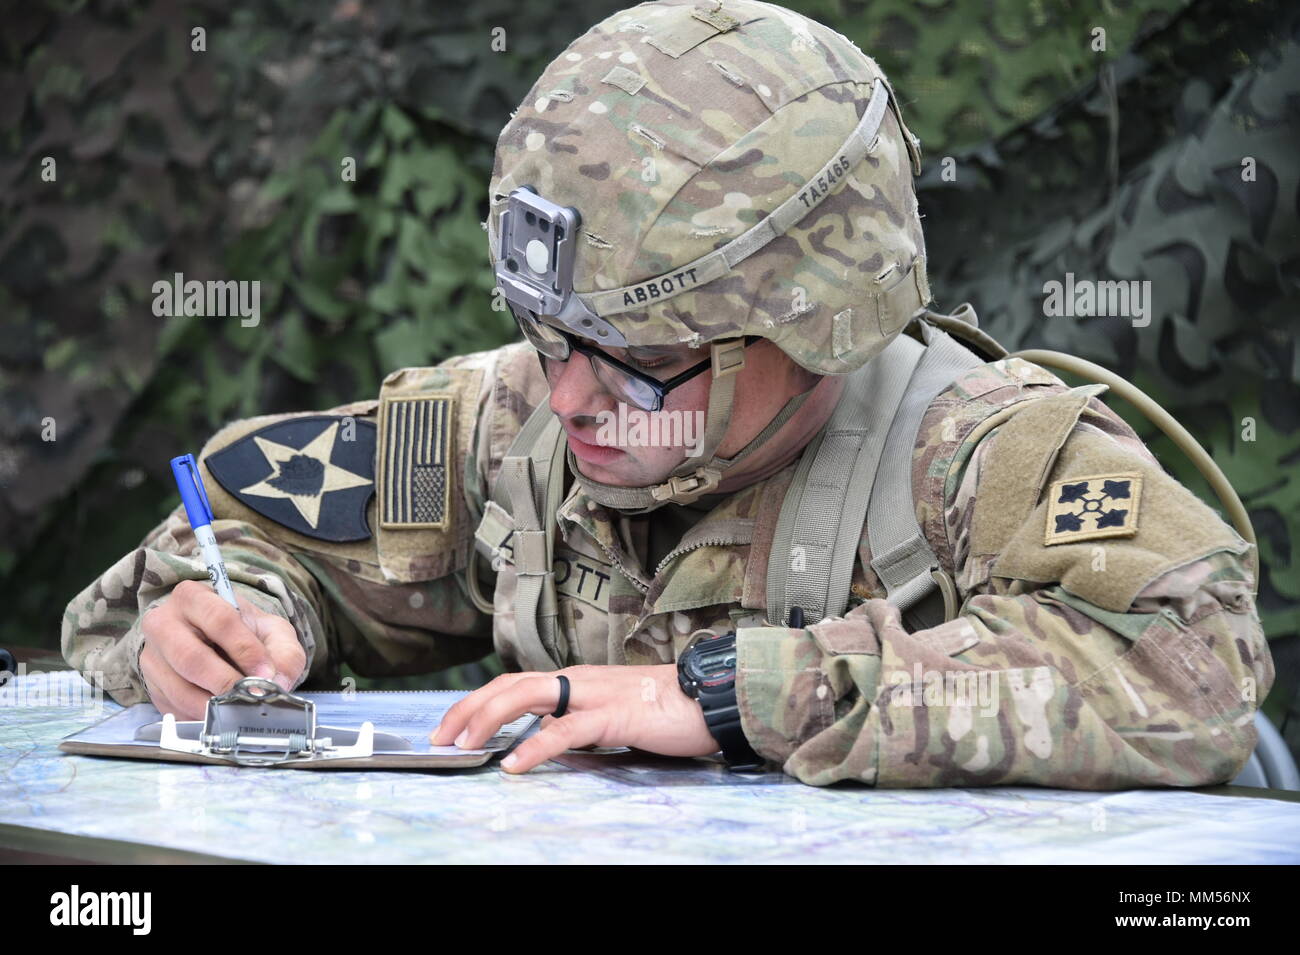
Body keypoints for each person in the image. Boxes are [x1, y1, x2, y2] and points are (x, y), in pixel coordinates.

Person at [62, 0, 1272, 787]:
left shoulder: (975, 455)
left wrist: (740, 692)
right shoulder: (507, 426)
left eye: (638, 358)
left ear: (816, 325)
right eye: (546, 333)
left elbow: (1193, 670)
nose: (571, 396)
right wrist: (236, 627)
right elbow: (206, 557)